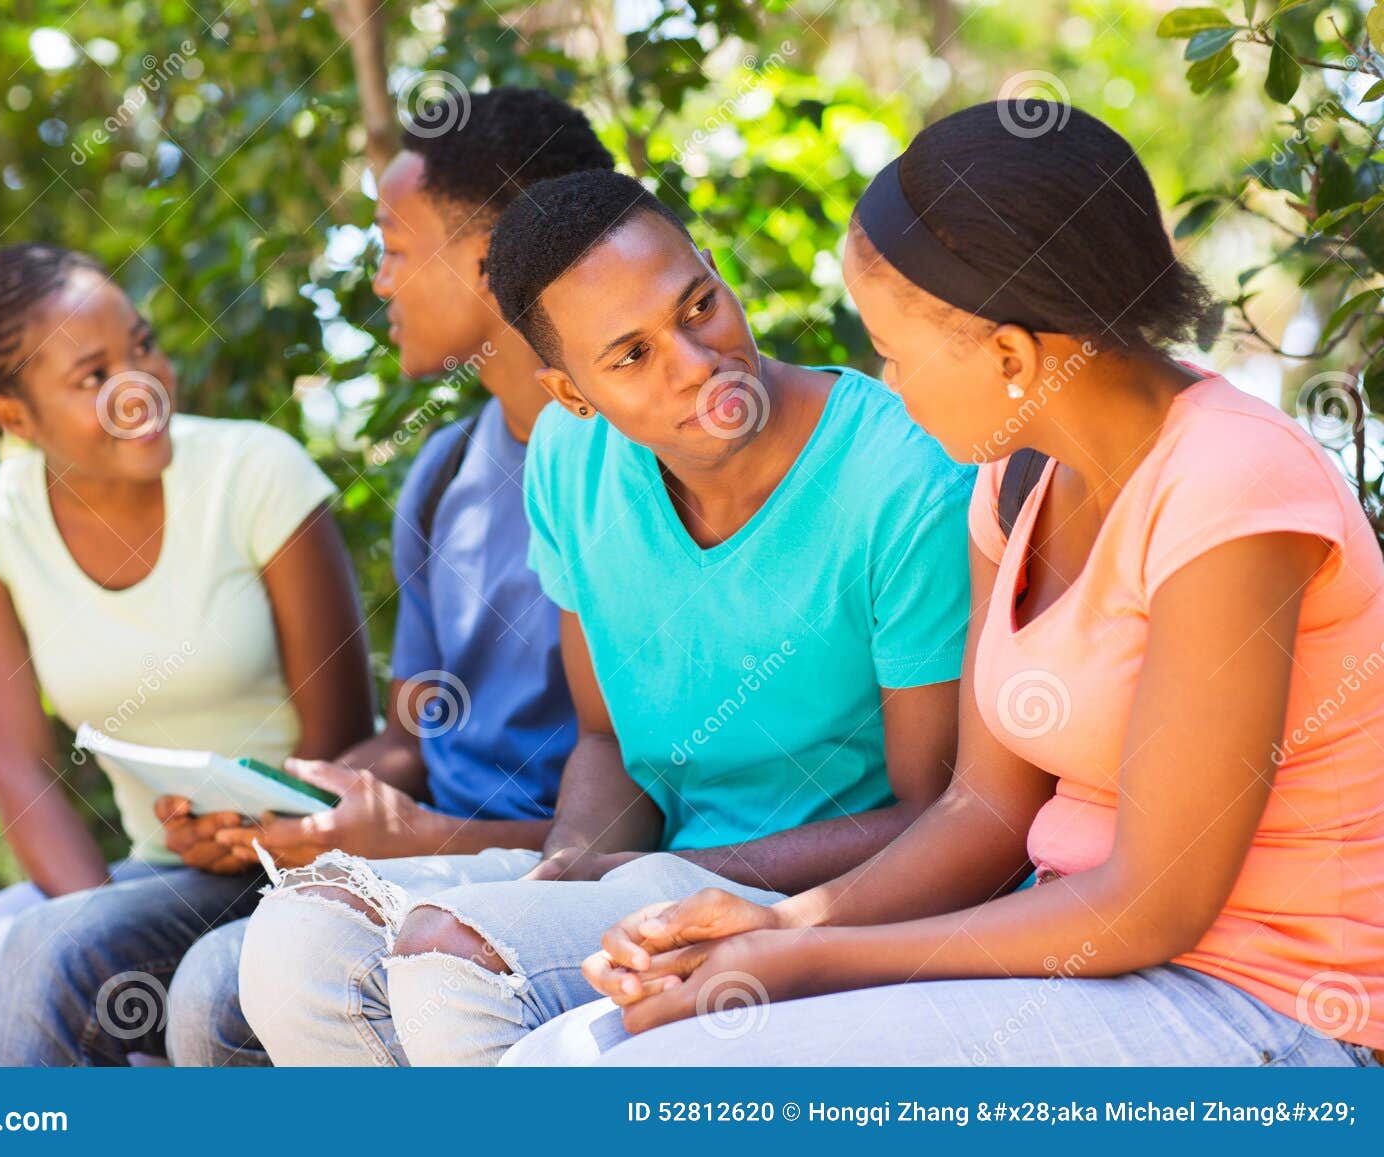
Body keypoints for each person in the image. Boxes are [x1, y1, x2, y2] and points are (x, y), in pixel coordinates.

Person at [509, 101, 1384, 1069]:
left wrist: (808, 958)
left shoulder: (1230, 484)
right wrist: (779, 925)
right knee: (557, 1059)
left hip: (1267, 1008)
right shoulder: (1016, 482)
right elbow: (983, 812)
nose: (882, 381)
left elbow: (1150, 903)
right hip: (1081, 966)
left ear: (1008, 355)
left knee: (625, 1080)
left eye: (890, 349)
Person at [237, 168, 975, 1066]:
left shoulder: (901, 477)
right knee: (300, 940)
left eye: (698, 305)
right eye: (630, 357)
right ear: (573, 394)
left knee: (454, 964)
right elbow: (601, 738)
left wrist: (671, 880)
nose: (697, 365)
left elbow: (935, 810)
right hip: (656, 870)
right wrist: (569, 866)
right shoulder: (569, 458)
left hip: (817, 890)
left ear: (713, 265)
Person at [0, 88, 609, 1067]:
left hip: (530, 864)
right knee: (54, 950)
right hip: (410, 855)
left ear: (487, 266)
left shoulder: (631, 466)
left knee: (212, 995)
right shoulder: (443, 474)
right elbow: (411, 734)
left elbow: (629, 798)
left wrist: (416, 834)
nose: (377, 280)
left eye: (395, 250)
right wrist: (280, 801)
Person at [0, 243, 374, 1066]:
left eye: (143, 344)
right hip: (167, 870)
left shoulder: (254, 471)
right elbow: (19, 770)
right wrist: (100, 934)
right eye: (94, 377)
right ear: (16, 418)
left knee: (58, 951)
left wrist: (94, 941)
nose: (140, 386)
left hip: (309, 859)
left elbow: (339, 742)